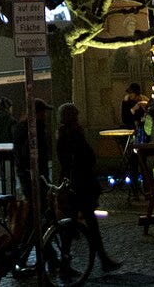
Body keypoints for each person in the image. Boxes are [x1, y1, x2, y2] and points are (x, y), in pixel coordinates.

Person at [55, 103, 121, 277]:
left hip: (74, 184)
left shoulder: (63, 133)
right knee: (88, 224)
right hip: (81, 185)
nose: (78, 117)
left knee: (73, 225)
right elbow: (85, 156)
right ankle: (101, 260)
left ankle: (66, 263)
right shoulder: (73, 133)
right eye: (76, 114)